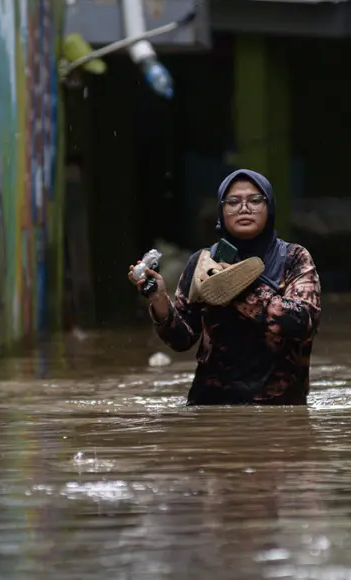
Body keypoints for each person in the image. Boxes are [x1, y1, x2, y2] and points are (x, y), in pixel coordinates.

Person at [128, 169, 321, 406]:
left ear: (268, 207)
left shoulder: (293, 258)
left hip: (280, 410)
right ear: (222, 211)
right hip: (212, 409)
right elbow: (181, 340)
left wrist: (237, 285)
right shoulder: (203, 263)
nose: (244, 208)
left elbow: (303, 322)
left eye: (254, 200)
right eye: (233, 201)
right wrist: (159, 299)